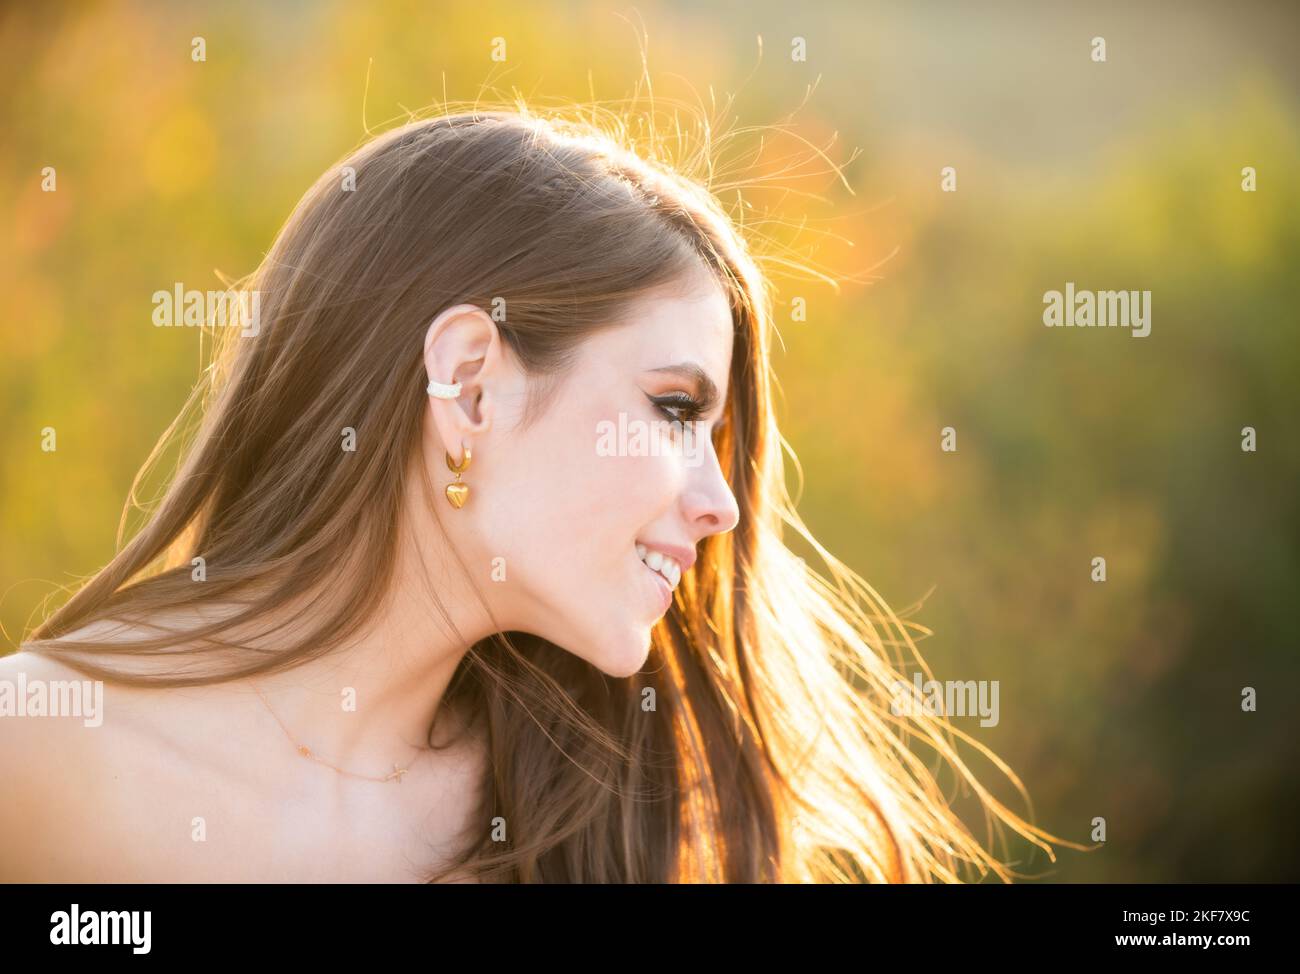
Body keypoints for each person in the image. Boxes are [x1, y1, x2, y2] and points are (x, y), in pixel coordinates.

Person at [0, 107, 1075, 882]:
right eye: (670, 408)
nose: (723, 506)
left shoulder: (610, 826)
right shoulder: (34, 761)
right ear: (468, 384)